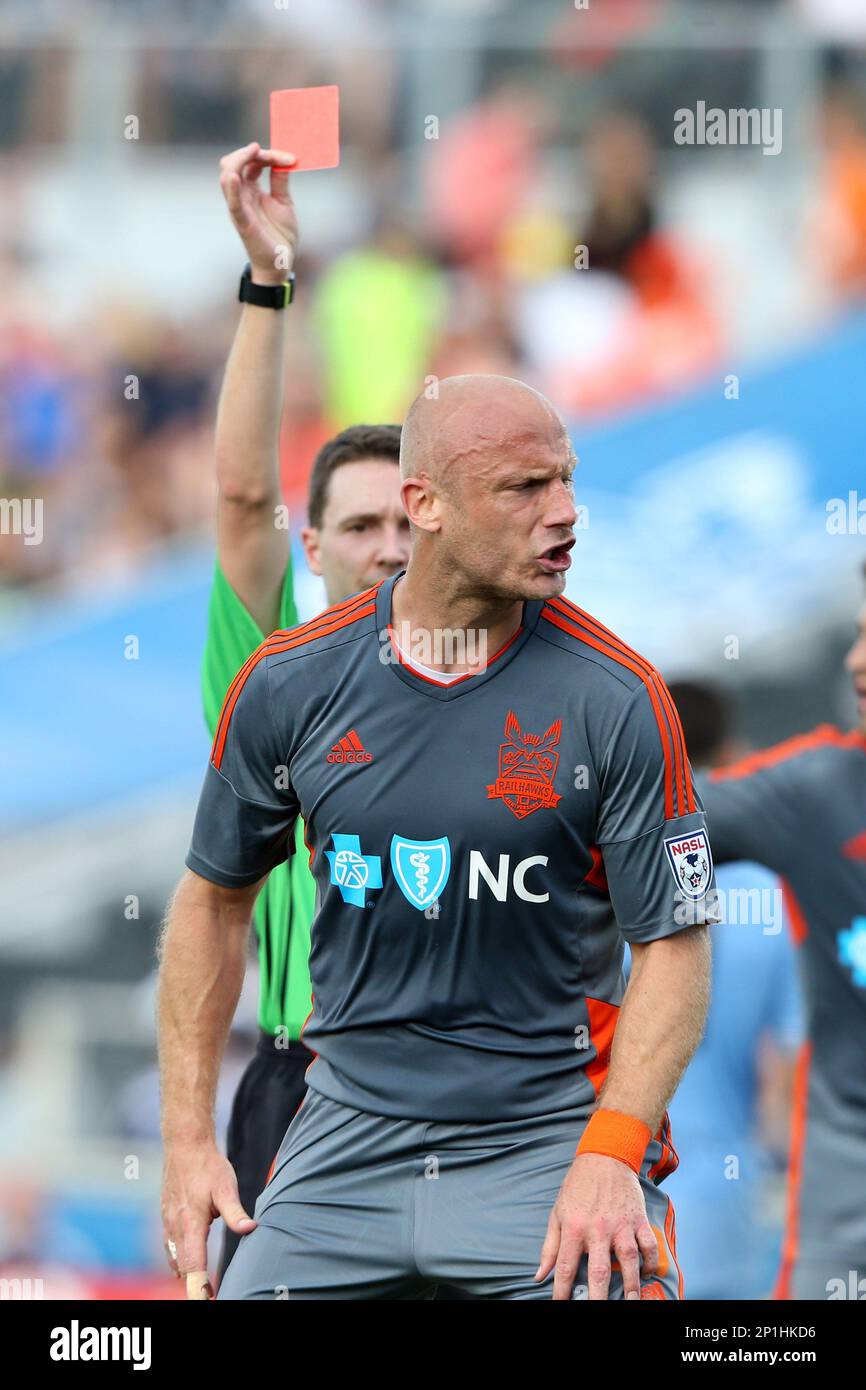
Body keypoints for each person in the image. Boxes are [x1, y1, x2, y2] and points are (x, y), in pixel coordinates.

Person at [160, 370, 716, 1301]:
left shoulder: (617, 697)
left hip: (545, 1138)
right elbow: (214, 901)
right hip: (343, 1131)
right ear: (426, 505)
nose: (567, 513)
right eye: (525, 488)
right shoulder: (292, 682)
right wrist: (185, 1142)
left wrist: (613, 1153)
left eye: (567, 480)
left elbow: (675, 945)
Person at [195, 140, 410, 1286]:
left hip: (469, 1092)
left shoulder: (507, 669)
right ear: (311, 544)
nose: (385, 548)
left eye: (404, 525)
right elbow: (236, 495)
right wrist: (268, 281)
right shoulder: (271, 669)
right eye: (358, 526)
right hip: (300, 1080)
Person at [696, 573, 866, 1300]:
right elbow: (624, 818)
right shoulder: (816, 790)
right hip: (840, 1190)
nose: (856, 661)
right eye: (858, 634)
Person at [663, 681, 802, 1300]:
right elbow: (786, 1094)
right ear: (733, 755)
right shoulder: (778, 899)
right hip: (735, 1221)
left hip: (615, 1215)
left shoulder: (598, 893)